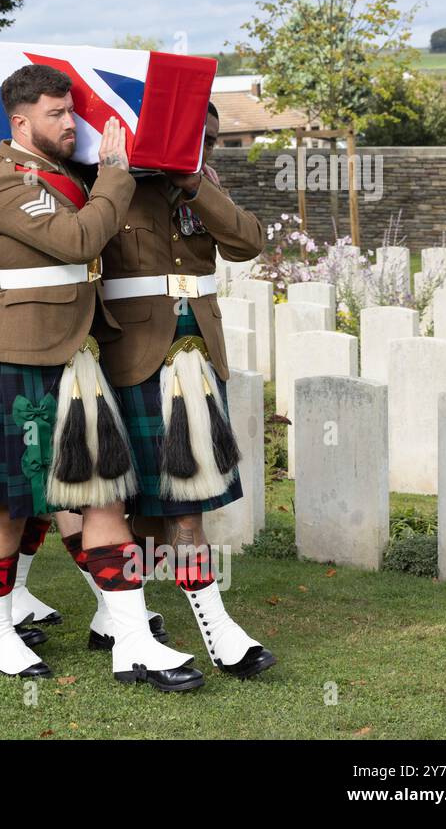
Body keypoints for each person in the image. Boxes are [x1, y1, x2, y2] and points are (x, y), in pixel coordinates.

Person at [0, 64, 203, 689]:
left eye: (70, 110)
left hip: (75, 360)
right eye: (57, 114)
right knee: (8, 508)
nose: (71, 123)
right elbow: (79, 240)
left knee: (102, 496)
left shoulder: (57, 178)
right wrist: (115, 176)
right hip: (18, 363)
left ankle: (131, 641)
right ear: (20, 121)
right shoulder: (9, 185)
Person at [98, 100, 276, 680]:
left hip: (197, 357)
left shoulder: (203, 184)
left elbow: (248, 242)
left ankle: (216, 631)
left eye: (214, 139)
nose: (207, 145)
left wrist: (197, 183)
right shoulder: (113, 180)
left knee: (185, 507)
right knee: (126, 508)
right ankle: (124, 623)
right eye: (197, 136)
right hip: (132, 357)